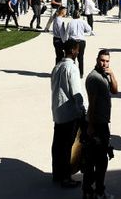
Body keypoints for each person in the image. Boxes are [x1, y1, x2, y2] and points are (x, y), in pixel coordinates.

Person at [82, 49, 118, 199]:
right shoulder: (94, 78)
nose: (105, 63)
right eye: (102, 60)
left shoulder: (105, 75)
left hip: (103, 122)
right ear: (97, 60)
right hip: (96, 124)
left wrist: (112, 74)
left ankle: (96, 190)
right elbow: (92, 103)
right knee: (96, 160)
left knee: (99, 159)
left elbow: (115, 91)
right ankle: (94, 191)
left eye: (107, 61)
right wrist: (90, 126)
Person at [50, 39, 85, 189]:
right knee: (66, 147)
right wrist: (83, 111)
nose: (78, 52)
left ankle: (57, 173)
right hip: (69, 114)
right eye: (77, 49)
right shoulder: (72, 68)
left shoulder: (57, 66)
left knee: (57, 145)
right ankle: (66, 177)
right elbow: (77, 93)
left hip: (58, 113)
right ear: (72, 50)